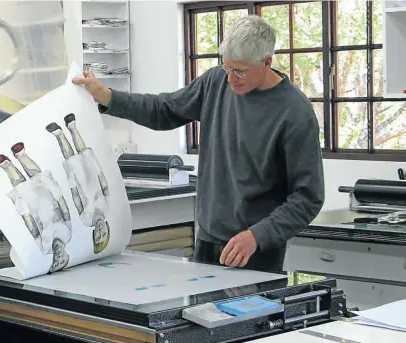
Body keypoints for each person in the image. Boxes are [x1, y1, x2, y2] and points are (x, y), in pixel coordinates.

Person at [72, 15, 325, 273]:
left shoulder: (295, 114)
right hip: (207, 239)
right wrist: (107, 97)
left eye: (240, 71)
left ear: (267, 62)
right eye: (227, 68)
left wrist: (258, 236)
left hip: (255, 250)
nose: (231, 78)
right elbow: (164, 109)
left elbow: (308, 198)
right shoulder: (216, 82)